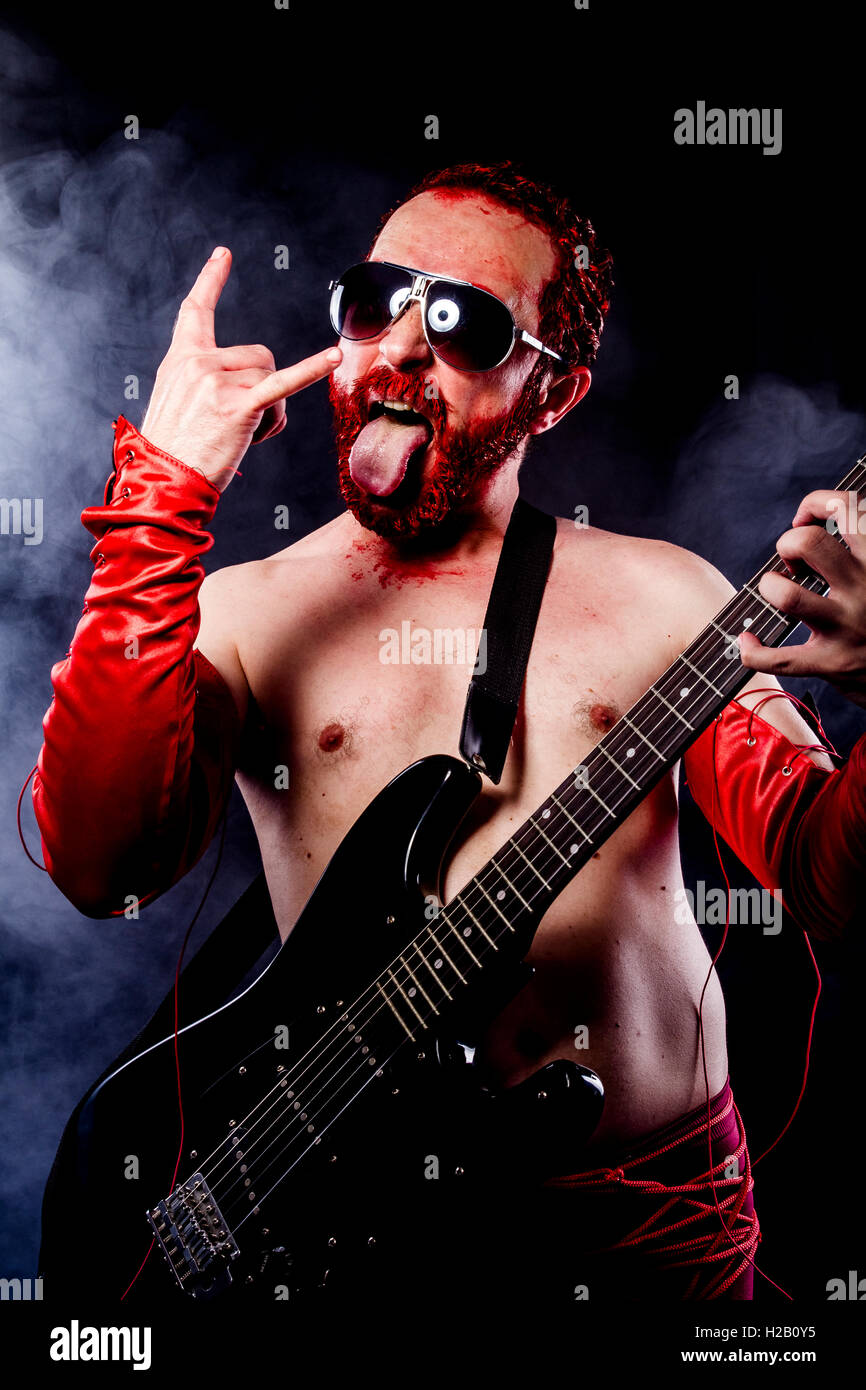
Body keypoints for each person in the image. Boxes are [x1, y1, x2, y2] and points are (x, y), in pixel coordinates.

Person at [31, 162, 866, 1302]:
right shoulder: (241, 612)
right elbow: (99, 866)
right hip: (367, 1251)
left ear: (552, 392)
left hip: (647, 1249)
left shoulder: (671, 599)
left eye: (461, 322)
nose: (400, 347)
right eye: (375, 300)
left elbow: (828, 881)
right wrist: (160, 504)